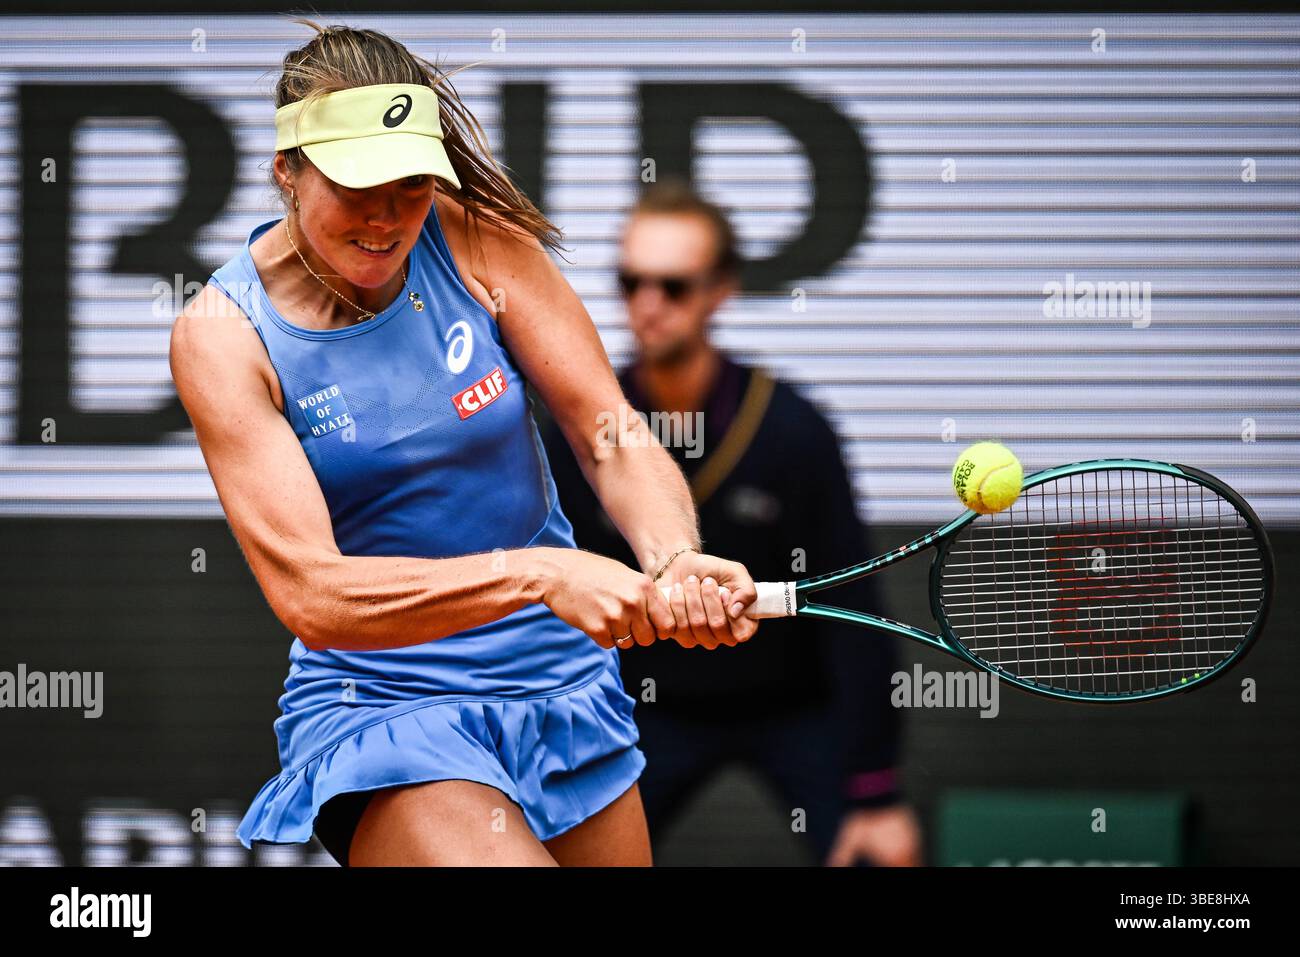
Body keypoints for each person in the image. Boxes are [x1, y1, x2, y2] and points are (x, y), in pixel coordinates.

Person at [168, 20, 759, 867]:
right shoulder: (223, 335)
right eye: (357, 185)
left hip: (560, 686)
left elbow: (609, 431)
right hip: (384, 702)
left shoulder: (473, 233)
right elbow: (313, 593)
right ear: (286, 172)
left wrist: (671, 559)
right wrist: (541, 574)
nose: (386, 216)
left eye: (411, 183)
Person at [539, 179, 923, 866]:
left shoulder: (793, 430)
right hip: (644, 711)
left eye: (674, 285)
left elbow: (850, 608)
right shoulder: (585, 429)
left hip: (791, 706)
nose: (648, 304)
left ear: (722, 290)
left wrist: (876, 792)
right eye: (631, 282)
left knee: (877, 856)